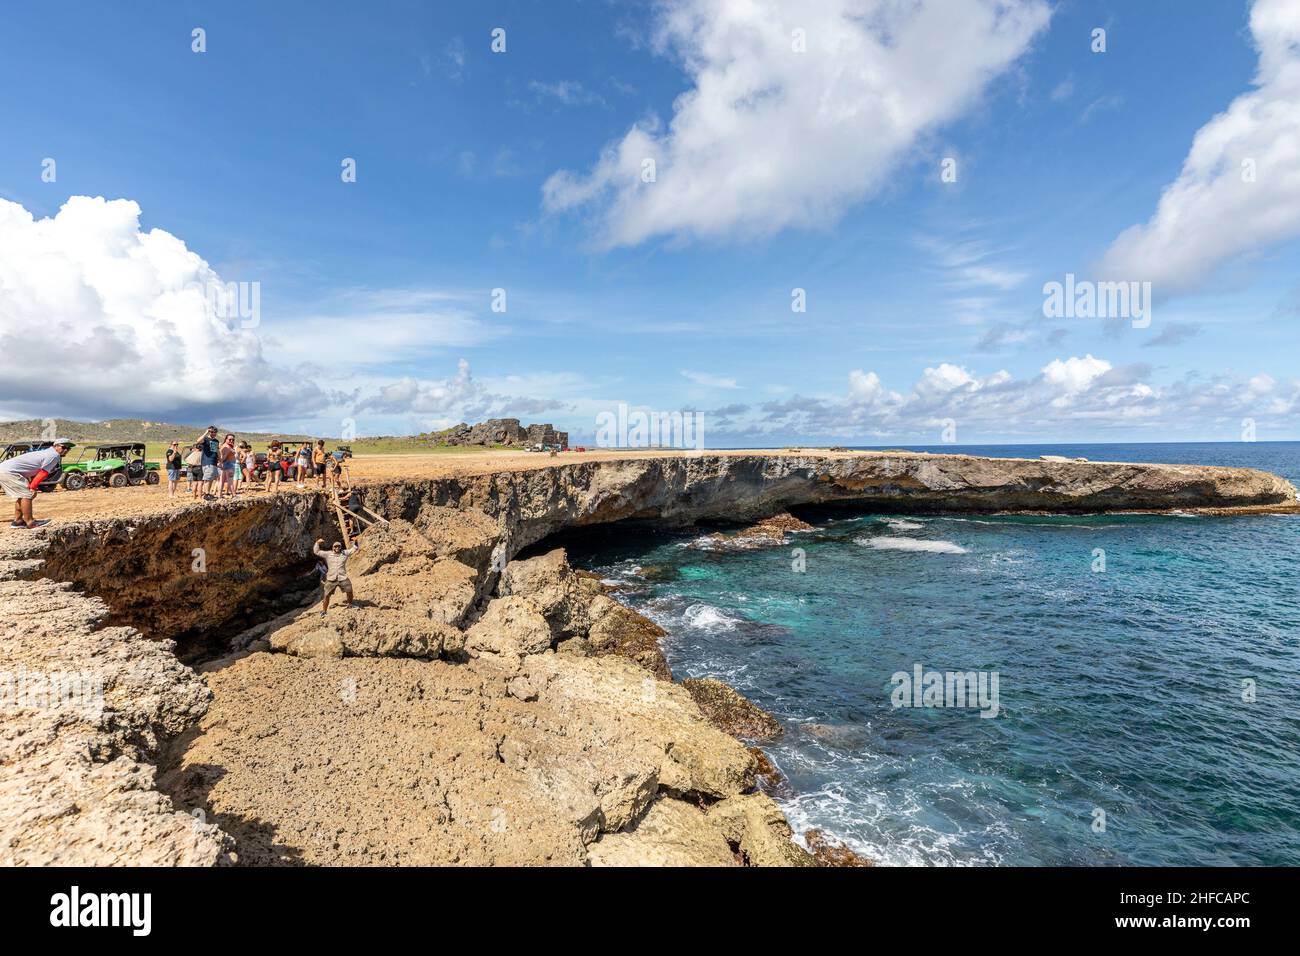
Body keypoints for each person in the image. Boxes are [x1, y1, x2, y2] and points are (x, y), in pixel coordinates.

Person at [1, 439, 70, 529]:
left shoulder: (47, 452)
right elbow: (43, 472)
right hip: (9, 472)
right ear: (56, 446)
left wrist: (32, 485)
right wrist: (33, 487)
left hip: (5, 469)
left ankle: (18, 521)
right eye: (64, 447)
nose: (66, 450)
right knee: (27, 495)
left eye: (68, 448)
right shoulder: (54, 455)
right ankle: (31, 522)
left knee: (22, 495)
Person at [313, 537, 358, 615]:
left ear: (340, 547)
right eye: (335, 546)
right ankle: (324, 611)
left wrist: (356, 541)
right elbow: (316, 551)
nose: (337, 548)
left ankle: (350, 604)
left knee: (349, 590)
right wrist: (317, 543)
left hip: (342, 577)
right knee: (326, 595)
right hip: (331, 578)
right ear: (332, 547)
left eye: (338, 546)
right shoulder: (328, 554)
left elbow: (354, 548)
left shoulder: (344, 553)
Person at [194, 426, 220, 500]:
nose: (213, 433)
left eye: (215, 432)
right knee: (207, 479)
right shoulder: (205, 439)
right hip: (207, 462)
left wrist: (220, 460)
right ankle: (206, 494)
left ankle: (208, 493)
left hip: (214, 461)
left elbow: (217, 451)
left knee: (211, 479)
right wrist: (206, 432)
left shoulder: (216, 441)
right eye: (211, 432)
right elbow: (198, 441)